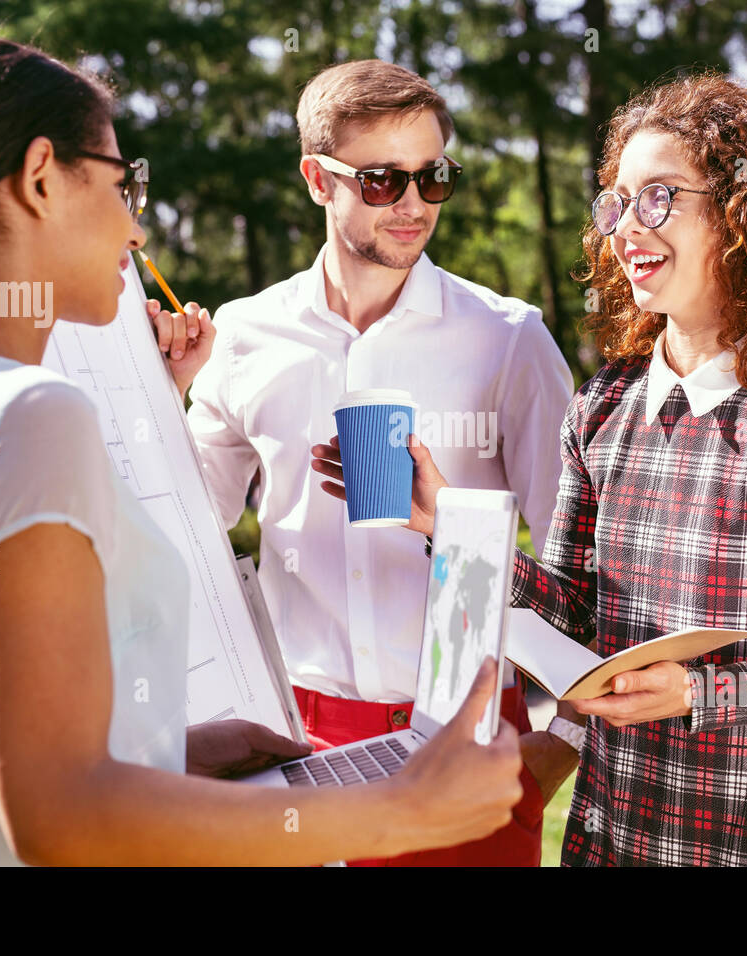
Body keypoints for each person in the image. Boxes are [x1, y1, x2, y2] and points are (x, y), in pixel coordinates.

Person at [0, 34, 523, 867]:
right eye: (122, 182)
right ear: (42, 178)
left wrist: (166, 753)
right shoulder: (34, 417)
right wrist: (399, 812)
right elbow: (58, 820)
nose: (136, 225)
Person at [313, 73, 747, 866]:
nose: (626, 228)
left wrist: (701, 693)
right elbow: (573, 614)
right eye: (618, 201)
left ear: (746, 215)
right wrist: (445, 524)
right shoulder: (601, 406)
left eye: (660, 197)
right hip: (621, 831)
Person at [151, 59, 581, 866]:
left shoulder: (509, 337)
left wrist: (554, 749)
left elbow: (577, 559)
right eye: (382, 181)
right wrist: (162, 393)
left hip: (469, 736)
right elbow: (184, 530)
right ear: (319, 179)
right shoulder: (244, 336)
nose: (414, 205)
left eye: (432, 178)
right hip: (296, 740)